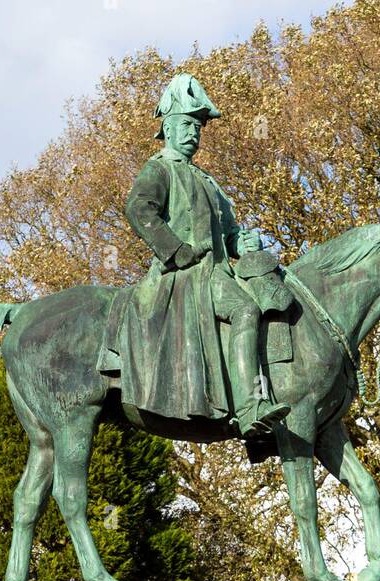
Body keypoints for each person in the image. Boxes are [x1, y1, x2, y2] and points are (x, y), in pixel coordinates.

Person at [122, 71, 292, 438]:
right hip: (187, 276)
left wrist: (239, 242)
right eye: (186, 125)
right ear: (167, 127)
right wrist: (178, 252)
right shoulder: (159, 169)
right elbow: (139, 210)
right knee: (245, 309)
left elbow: (227, 233)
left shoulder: (208, 181)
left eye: (198, 127)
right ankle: (250, 407)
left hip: (217, 272)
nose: (193, 134)